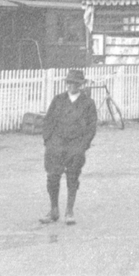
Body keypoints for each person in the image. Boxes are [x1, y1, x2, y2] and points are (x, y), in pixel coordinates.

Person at [40, 69, 96, 226]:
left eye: (75, 83)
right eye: (69, 83)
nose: (72, 86)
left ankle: (69, 211)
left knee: (72, 177)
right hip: (56, 144)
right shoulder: (58, 100)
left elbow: (91, 127)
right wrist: (48, 140)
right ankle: (53, 210)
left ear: (81, 85)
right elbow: (48, 121)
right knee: (52, 177)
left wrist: (83, 145)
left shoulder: (87, 103)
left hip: (75, 145)